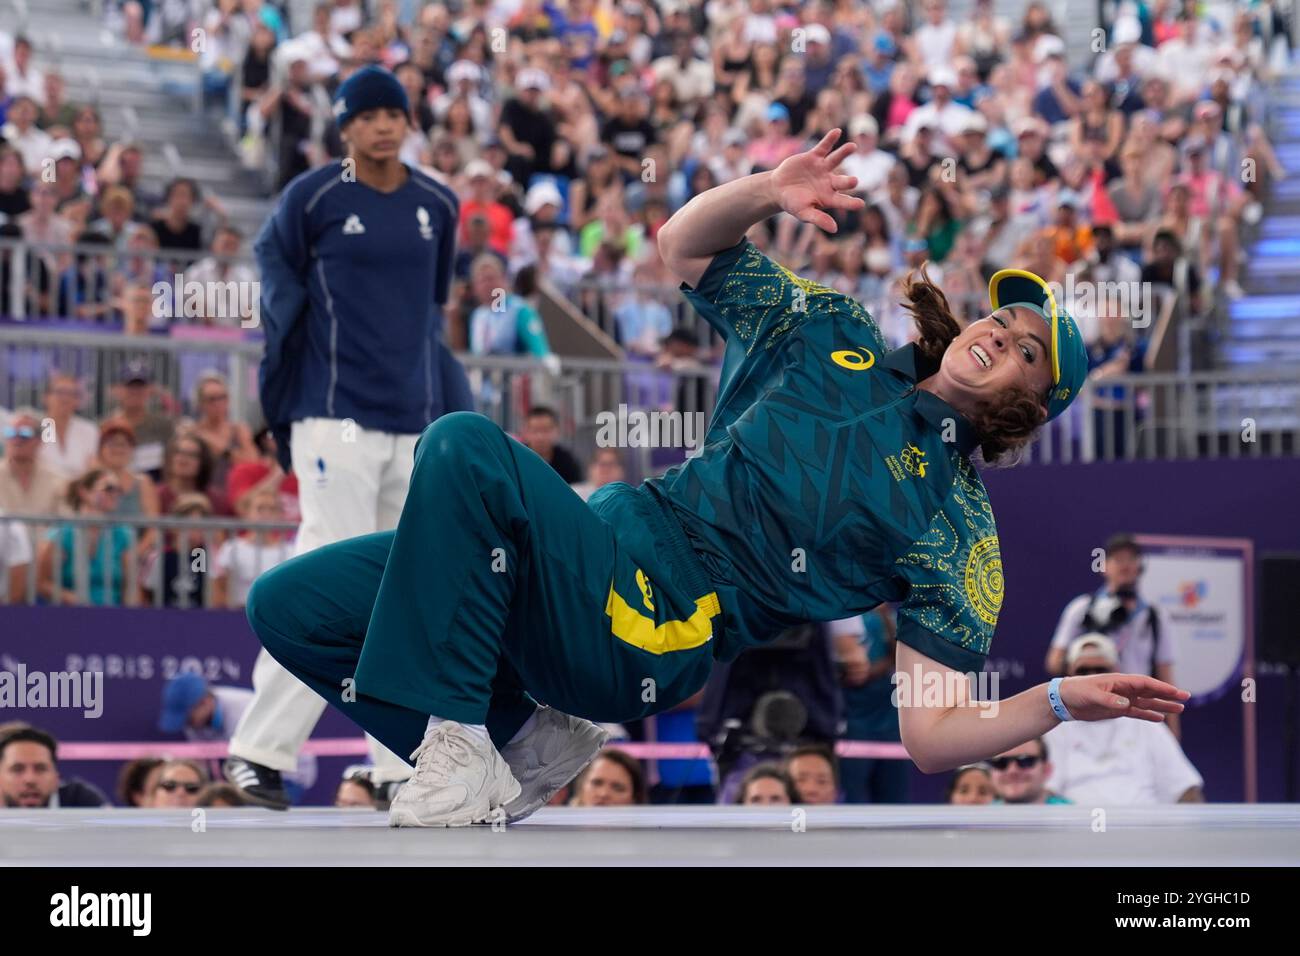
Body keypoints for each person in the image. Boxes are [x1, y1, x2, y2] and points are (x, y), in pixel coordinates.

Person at [243, 130, 1187, 828]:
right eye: (1003, 320)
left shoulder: (960, 530)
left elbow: (931, 738)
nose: (998, 336)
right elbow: (683, 247)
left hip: (660, 623)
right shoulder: (834, 331)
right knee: (288, 606)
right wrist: (768, 189)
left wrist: (1059, 700)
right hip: (592, 539)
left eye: (1028, 352)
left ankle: (460, 748)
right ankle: (512, 740)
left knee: (460, 444)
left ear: (1031, 402)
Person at [231, 65, 473, 807]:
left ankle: (397, 764)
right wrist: (280, 398)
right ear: (344, 126)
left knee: (400, 592)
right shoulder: (311, 197)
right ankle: (257, 751)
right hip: (332, 415)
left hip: (414, 421)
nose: (382, 125)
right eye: (366, 115)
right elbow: (278, 293)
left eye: (393, 112)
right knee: (328, 577)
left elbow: (432, 315)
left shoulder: (439, 202)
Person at [1046, 635, 1203, 804]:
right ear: (1069, 675)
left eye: (1101, 671)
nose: (1091, 679)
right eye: (1083, 671)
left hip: (1142, 825)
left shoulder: (1144, 721)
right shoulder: (1055, 725)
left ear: (1116, 672)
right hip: (1078, 825)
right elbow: (1046, 791)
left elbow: (1185, 787)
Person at [0, 726, 109, 807]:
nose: (30, 779)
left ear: (56, 777)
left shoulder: (81, 800)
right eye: (17, 769)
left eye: (41, 769)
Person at [988, 738, 1071, 804]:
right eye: (1000, 762)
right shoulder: (983, 815)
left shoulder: (1072, 816)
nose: (1012, 771)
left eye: (1025, 761)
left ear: (1046, 770)